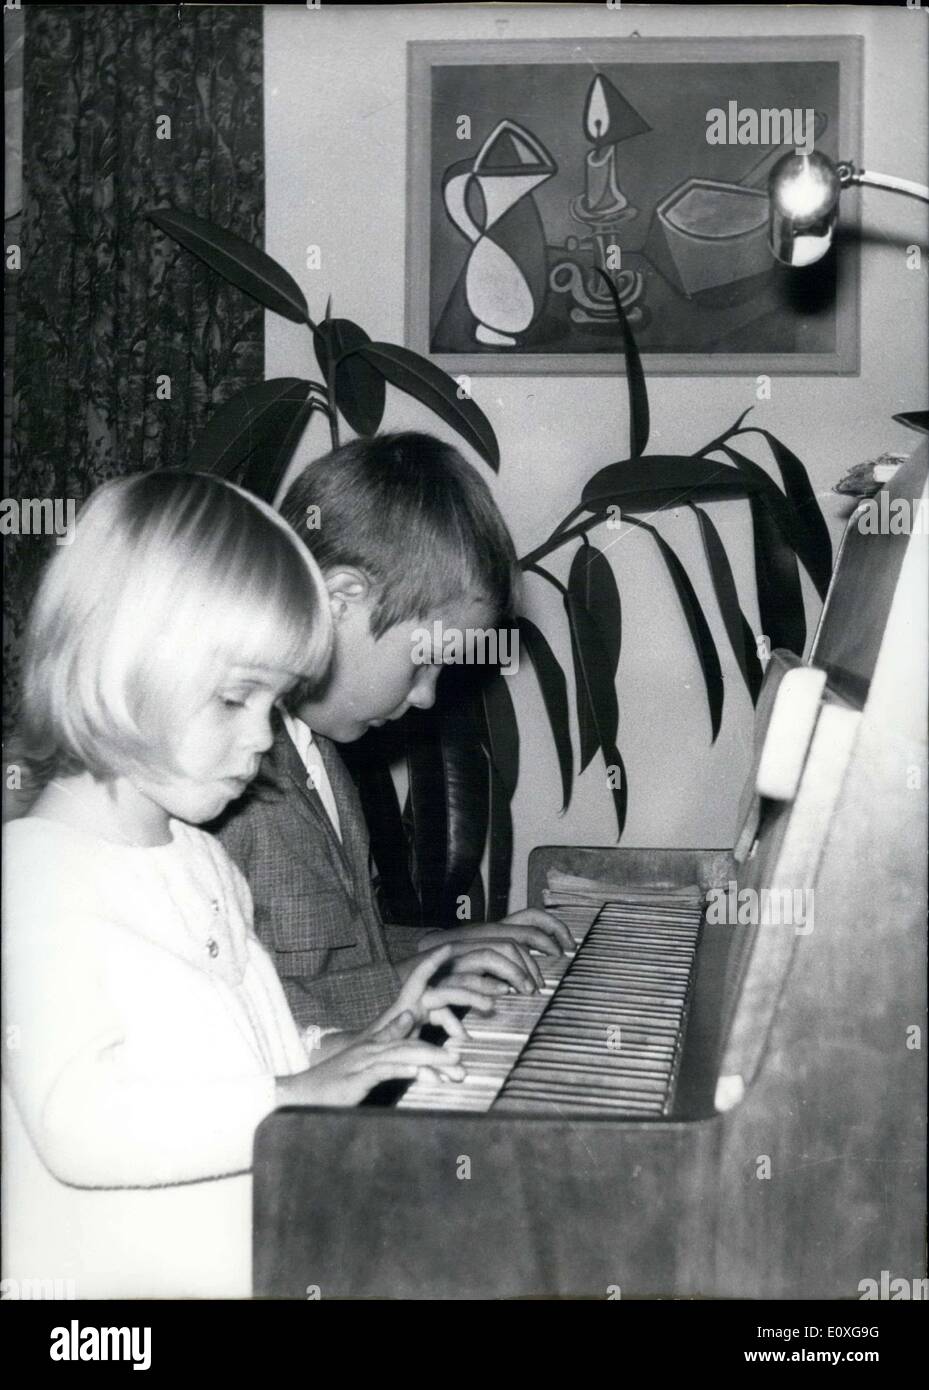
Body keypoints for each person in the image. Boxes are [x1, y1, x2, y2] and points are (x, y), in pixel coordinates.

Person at [1, 470, 490, 1299]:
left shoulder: (199, 856)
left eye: (275, 702)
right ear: (122, 668)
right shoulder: (37, 878)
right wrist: (296, 1093)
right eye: (236, 699)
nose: (263, 738)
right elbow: (78, 1125)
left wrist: (345, 1051)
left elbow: (250, 1041)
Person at [213, 432, 573, 1034]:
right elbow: (221, 1008)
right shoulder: (227, 777)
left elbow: (346, 952)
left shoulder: (318, 748)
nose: (427, 695)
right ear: (342, 599)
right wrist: (424, 978)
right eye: (422, 660)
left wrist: (440, 944)